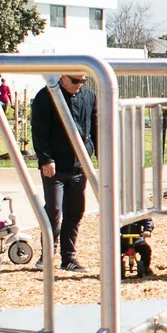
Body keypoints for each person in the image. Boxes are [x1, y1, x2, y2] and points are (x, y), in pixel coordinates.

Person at [30, 70, 99, 274]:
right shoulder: (46, 96)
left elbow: (95, 126)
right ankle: (47, 254)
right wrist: (45, 158)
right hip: (56, 165)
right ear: (63, 76)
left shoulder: (89, 96)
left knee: (75, 210)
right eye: (75, 80)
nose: (79, 84)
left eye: (83, 80)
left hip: (80, 163)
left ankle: (69, 257)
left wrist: (100, 156)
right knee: (54, 209)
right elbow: (39, 130)